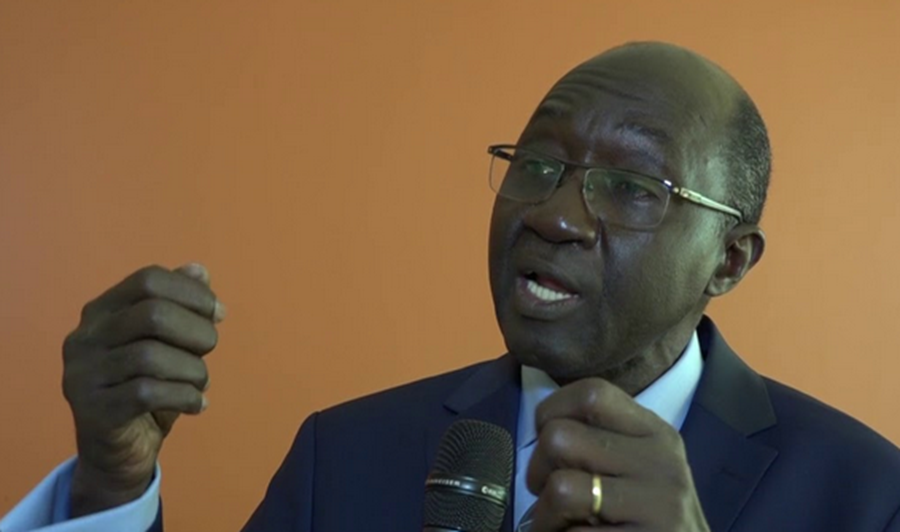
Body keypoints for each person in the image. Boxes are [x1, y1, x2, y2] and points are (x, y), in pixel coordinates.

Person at [3, 41, 900, 532]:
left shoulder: (864, 495)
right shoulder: (342, 459)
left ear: (729, 261)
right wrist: (112, 486)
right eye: (537, 163)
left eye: (632, 187)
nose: (555, 215)